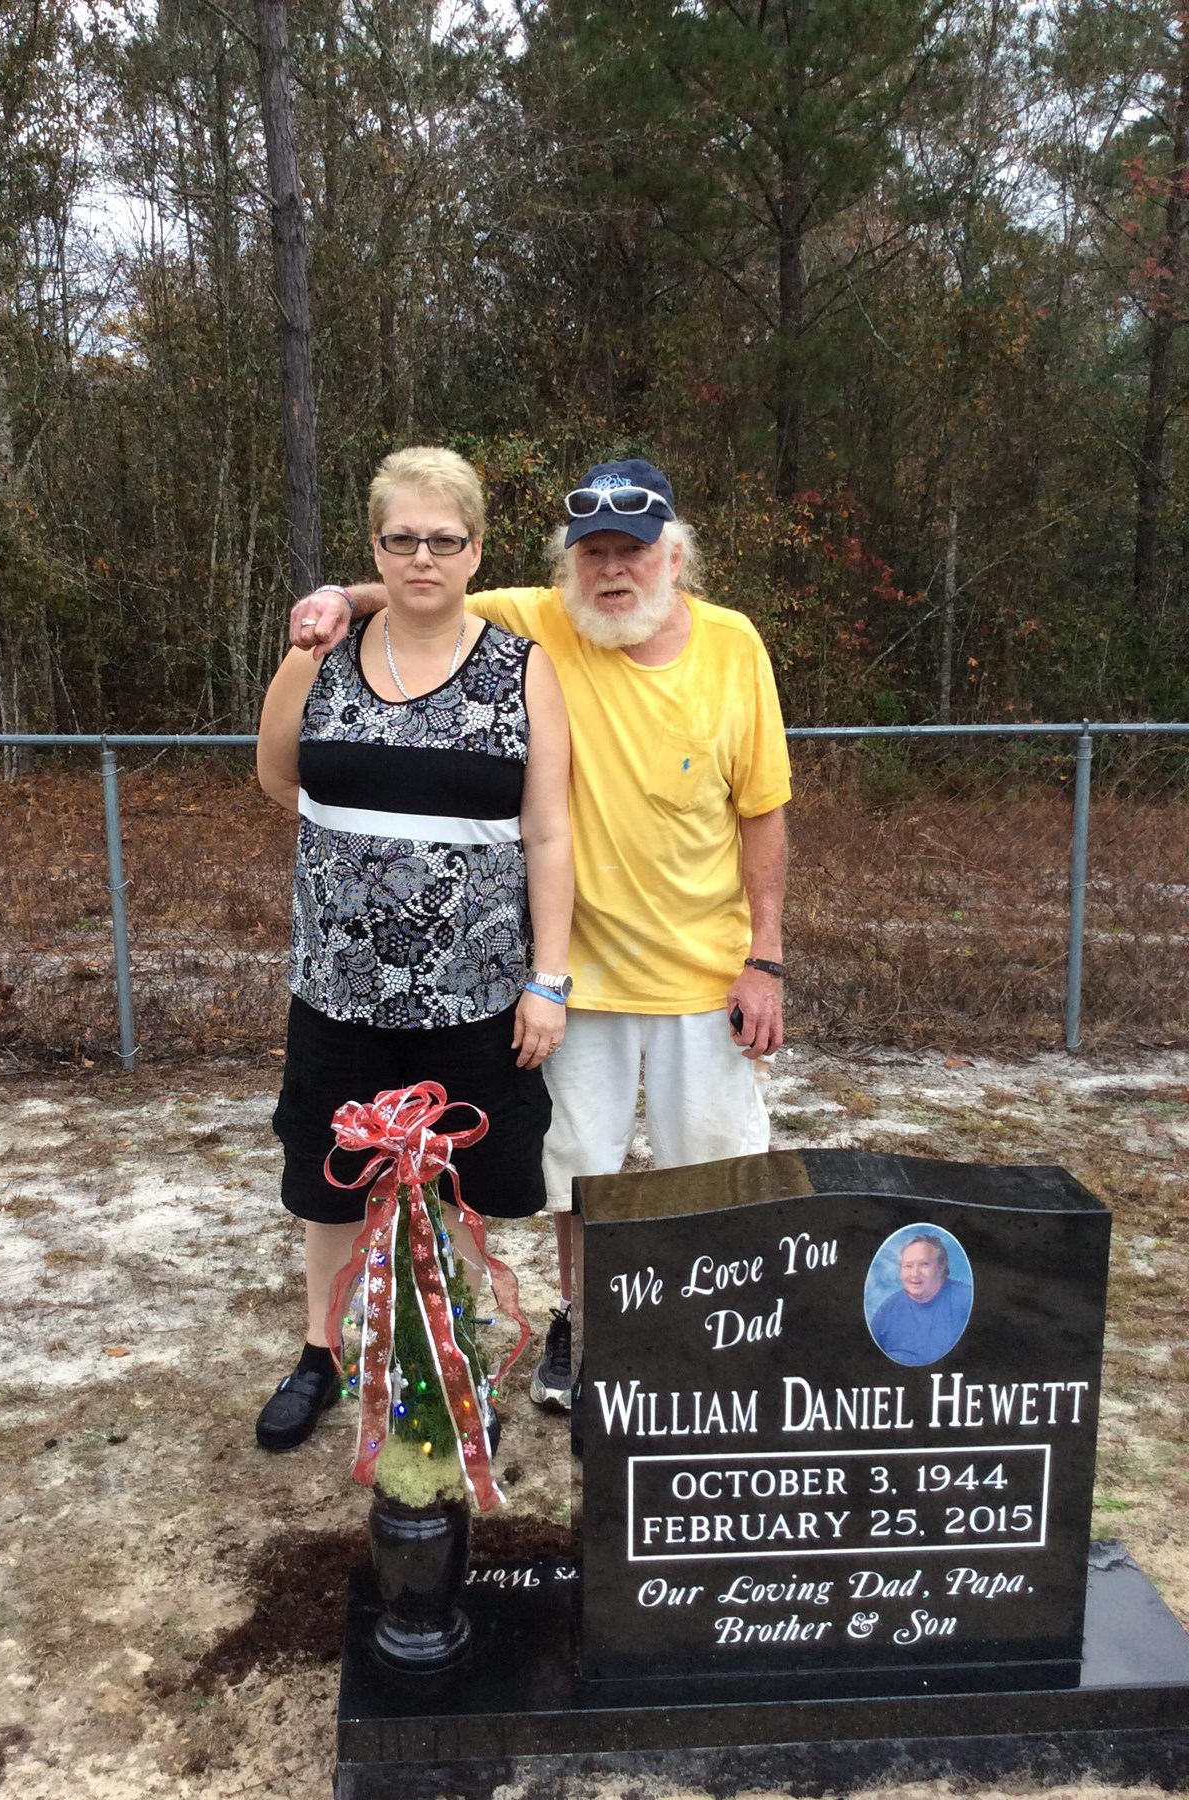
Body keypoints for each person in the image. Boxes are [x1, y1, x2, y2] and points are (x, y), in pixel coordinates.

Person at [288, 457, 790, 1423]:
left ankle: (711, 1334)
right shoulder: (543, 622)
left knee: (715, 1168)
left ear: (672, 555)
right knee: (581, 1175)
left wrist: (763, 957)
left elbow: (763, 812)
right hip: (581, 977)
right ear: (568, 565)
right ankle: (582, 1325)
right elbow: (421, 574)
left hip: (705, 975)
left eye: (632, 551)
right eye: (592, 551)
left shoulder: (733, 647)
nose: (612, 571)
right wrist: (329, 598)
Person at [254, 446, 573, 1452]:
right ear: (376, 549)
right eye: (402, 539)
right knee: (331, 1175)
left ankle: (445, 1349)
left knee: (461, 1180)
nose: (422, 557)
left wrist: (547, 981)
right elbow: (277, 780)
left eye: (444, 540)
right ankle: (322, 1352)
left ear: (475, 550)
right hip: (338, 989)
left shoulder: (523, 669)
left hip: (474, 995)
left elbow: (551, 833)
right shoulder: (324, 656)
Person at [869, 1234, 973, 1367]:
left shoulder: (966, 1300)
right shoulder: (887, 1311)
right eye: (908, 1266)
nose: (915, 1274)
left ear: (941, 1267)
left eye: (924, 1264)